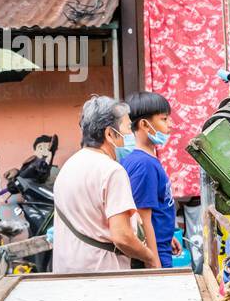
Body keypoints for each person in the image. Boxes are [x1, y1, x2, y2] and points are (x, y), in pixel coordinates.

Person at [52, 96, 157, 273]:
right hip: (102, 274)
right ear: (110, 134)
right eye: (127, 128)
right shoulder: (112, 171)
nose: (131, 134)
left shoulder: (69, 166)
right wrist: (150, 257)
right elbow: (122, 236)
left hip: (66, 273)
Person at [121, 91, 181, 269]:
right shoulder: (144, 164)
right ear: (145, 125)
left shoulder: (142, 158)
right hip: (154, 255)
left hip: (161, 245)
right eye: (164, 119)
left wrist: (167, 236)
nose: (170, 124)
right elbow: (142, 219)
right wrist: (154, 263)